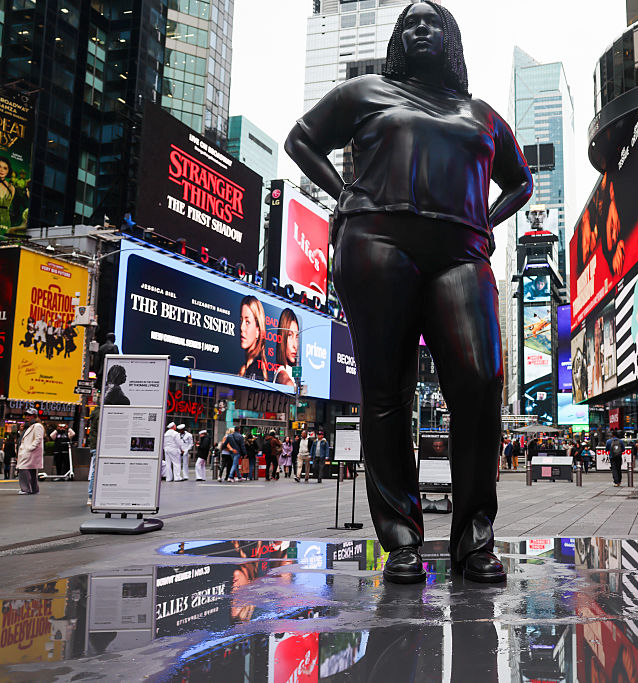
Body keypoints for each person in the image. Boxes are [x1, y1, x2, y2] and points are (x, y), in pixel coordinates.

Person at [285, 0, 532, 585]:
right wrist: (344, 191)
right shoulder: (365, 91)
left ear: (453, 42)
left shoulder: (483, 115)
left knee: (479, 382)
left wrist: (488, 222)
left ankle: (475, 539)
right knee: (386, 391)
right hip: (376, 242)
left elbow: (520, 182)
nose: (422, 29)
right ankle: (400, 539)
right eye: (411, 23)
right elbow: (301, 142)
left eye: (434, 23)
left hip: (462, 253)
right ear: (398, 41)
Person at [238, 295, 268, 380]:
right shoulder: (247, 368)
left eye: (247, 322)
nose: (242, 327)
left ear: (258, 330)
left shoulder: (255, 370)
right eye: (241, 320)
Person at [16, 409, 44, 494]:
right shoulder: (29, 426)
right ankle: (34, 489)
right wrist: (21, 431)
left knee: (23, 469)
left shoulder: (37, 426)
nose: (27, 417)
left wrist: (30, 448)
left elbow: (38, 438)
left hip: (30, 452)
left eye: (29, 415)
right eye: (26, 415)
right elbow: (25, 438)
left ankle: (26, 489)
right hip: (28, 452)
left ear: (34, 416)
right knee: (31, 471)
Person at [274, 308, 300, 387]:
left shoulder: (290, 372)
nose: (295, 345)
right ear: (282, 337)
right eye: (290, 335)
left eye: (297, 337)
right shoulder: (283, 377)